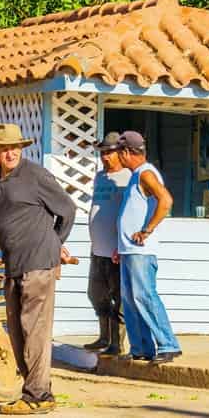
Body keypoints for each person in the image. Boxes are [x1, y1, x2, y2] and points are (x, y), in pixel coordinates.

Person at [0, 123, 76, 416]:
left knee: (34, 329)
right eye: (4, 147)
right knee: (17, 330)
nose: (10, 152)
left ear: (21, 148)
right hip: (14, 264)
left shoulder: (35, 175)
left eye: (15, 147)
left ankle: (36, 396)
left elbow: (67, 209)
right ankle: (40, 391)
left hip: (38, 263)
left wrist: (54, 243)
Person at [114, 131, 182, 364]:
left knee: (144, 297)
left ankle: (168, 344)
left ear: (126, 152)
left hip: (141, 251)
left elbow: (166, 200)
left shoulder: (146, 174)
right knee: (131, 300)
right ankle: (141, 348)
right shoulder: (136, 175)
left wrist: (147, 229)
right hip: (128, 249)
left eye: (118, 153)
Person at [83, 133, 131, 356]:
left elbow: (129, 213)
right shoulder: (100, 176)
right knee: (96, 293)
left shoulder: (127, 177)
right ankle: (103, 336)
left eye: (109, 152)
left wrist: (122, 243)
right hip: (98, 248)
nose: (105, 157)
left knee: (117, 297)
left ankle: (117, 342)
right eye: (103, 153)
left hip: (115, 249)